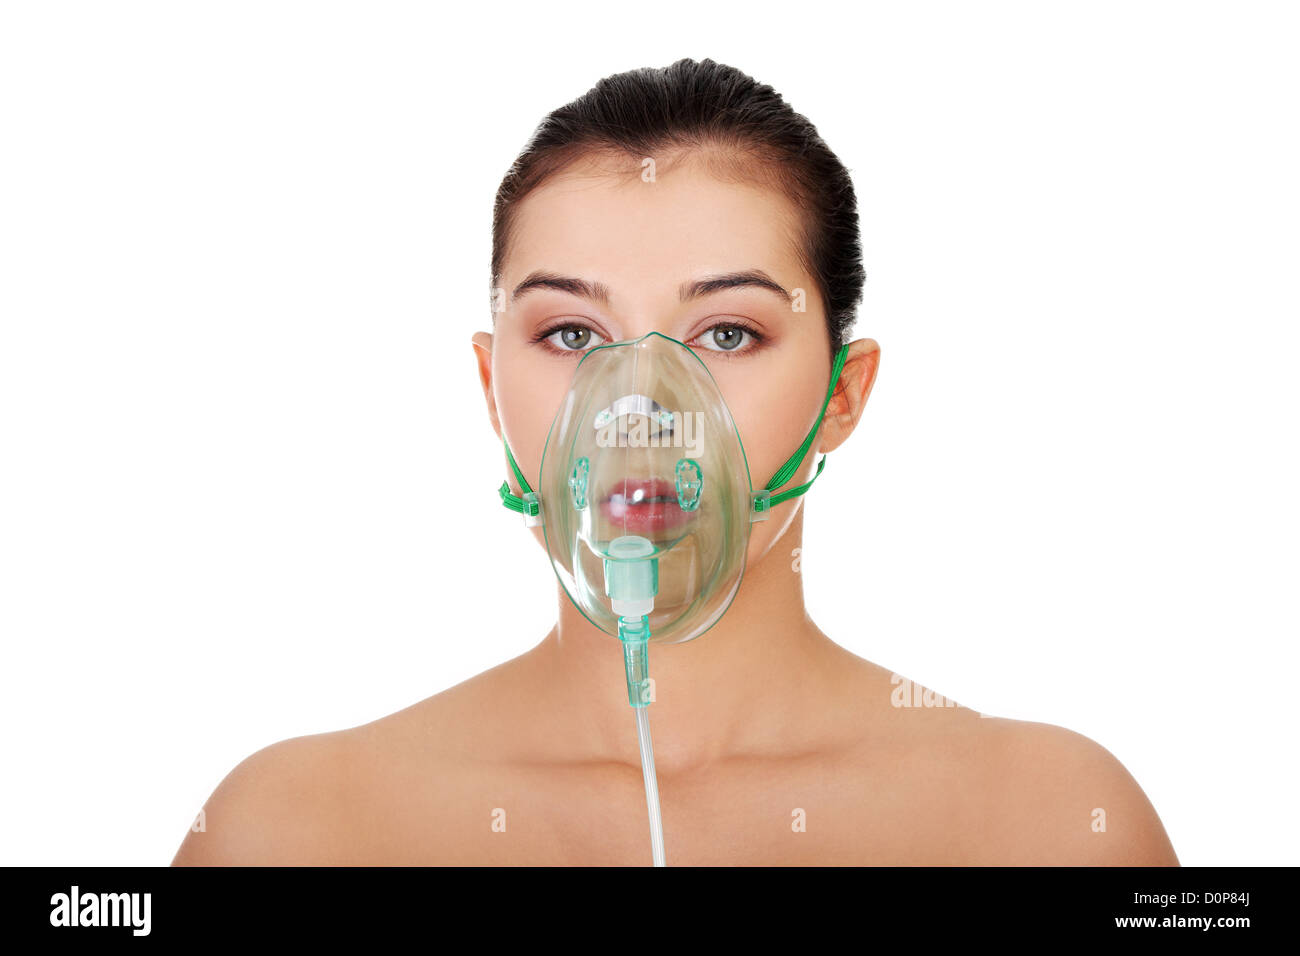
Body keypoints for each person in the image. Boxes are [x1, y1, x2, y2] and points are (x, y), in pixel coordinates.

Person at [173, 58, 1178, 866]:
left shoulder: (1047, 824)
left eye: (727, 333)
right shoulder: (295, 833)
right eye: (570, 334)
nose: (641, 404)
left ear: (843, 392)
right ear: (490, 387)